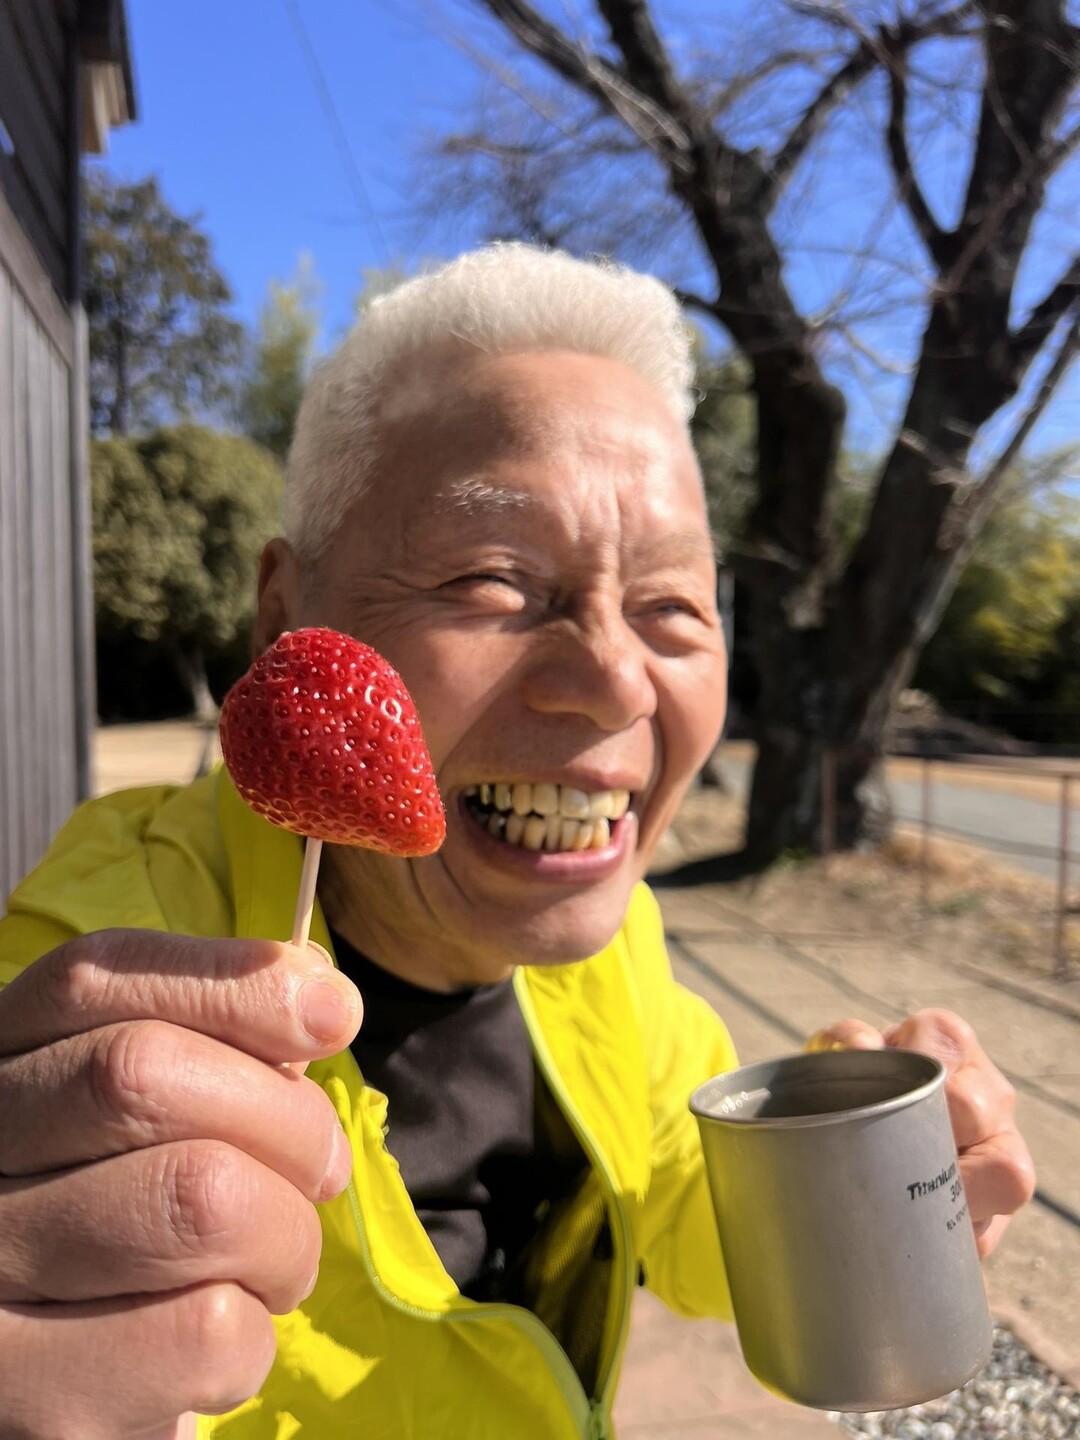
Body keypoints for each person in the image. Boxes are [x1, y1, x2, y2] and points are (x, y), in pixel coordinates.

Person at [0, 245, 1034, 1440]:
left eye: (672, 608)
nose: (613, 684)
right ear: (285, 615)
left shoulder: (612, 934)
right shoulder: (91, 975)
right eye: (495, 580)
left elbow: (678, 1207)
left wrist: (840, 1181)